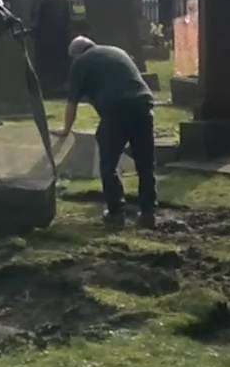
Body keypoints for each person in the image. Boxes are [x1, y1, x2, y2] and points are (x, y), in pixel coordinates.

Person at [53, 35, 156, 229]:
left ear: (76, 54)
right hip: (143, 105)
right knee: (145, 164)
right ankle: (148, 214)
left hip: (116, 111)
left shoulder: (81, 62)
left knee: (108, 164)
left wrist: (66, 129)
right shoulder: (117, 51)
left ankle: (116, 212)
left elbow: (72, 102)